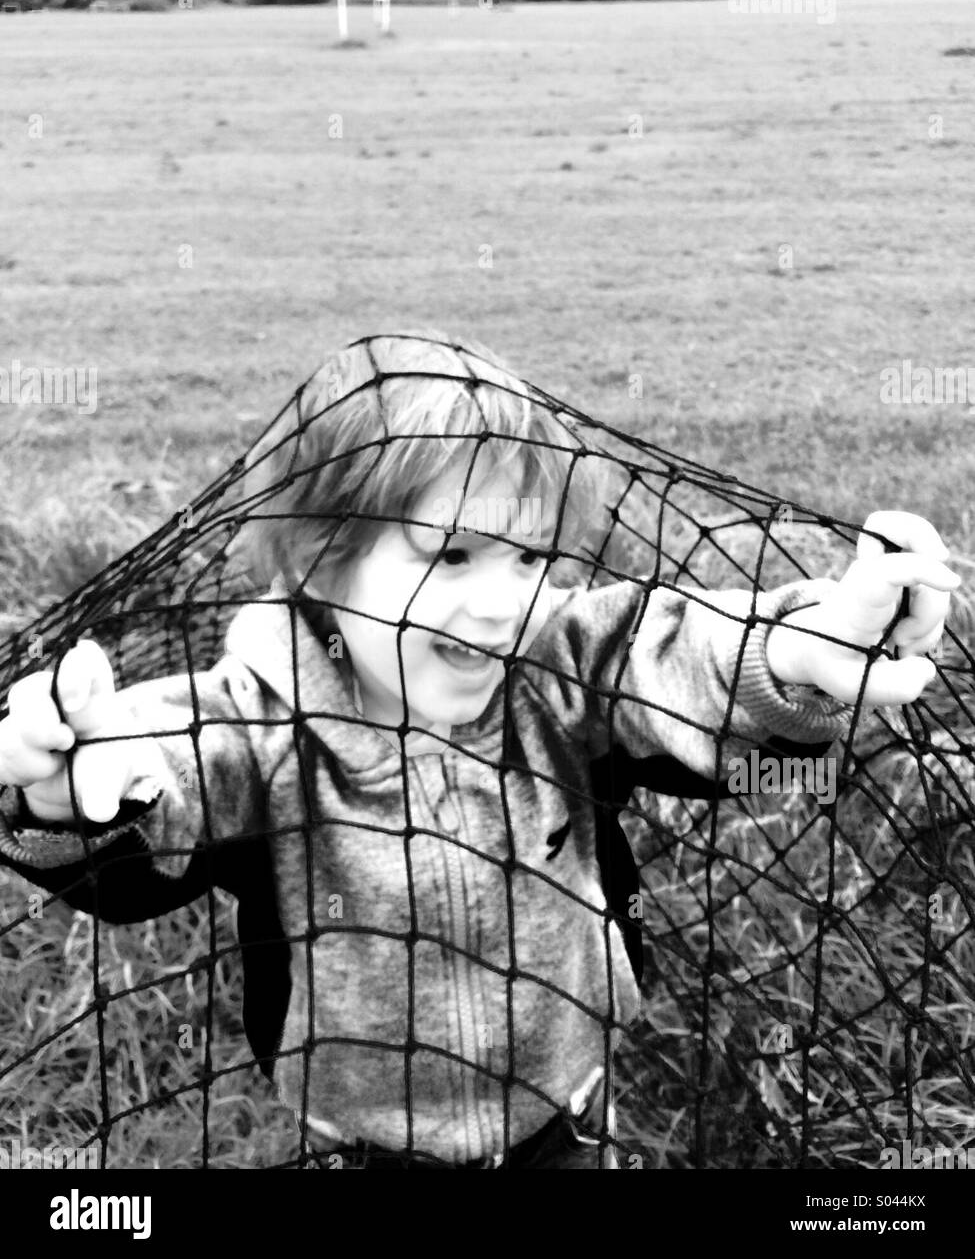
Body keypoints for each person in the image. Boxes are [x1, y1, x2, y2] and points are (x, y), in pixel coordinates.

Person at [0, 331, 959, 1169]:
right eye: (450, 556)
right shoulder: (260, 723)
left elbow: (674, 650)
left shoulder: (558, 667)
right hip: (364, 1139)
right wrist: (71, 787)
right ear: (322, 560)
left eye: (529, 557)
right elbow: (169, 761)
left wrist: (800, 648)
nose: (502, 602)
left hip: (565, 1105)